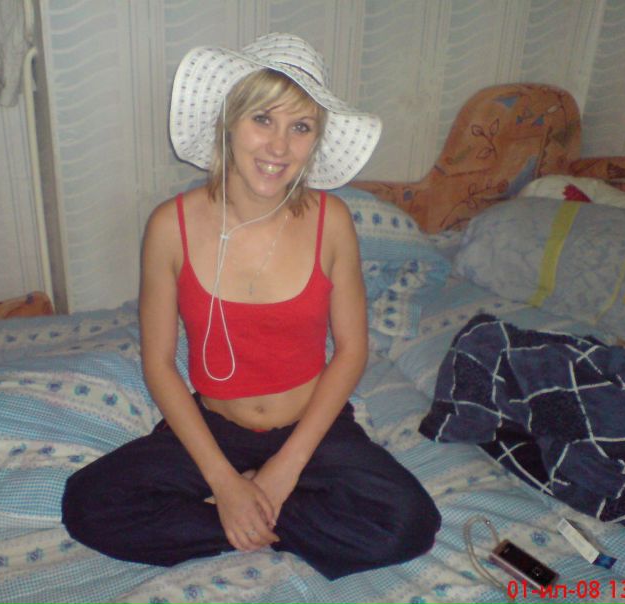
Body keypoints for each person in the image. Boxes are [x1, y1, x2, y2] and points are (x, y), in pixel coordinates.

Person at [62, 32, 440, 580]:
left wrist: (283, 472)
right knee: (87, 504)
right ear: (229, 123)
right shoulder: (170, 226)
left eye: (300, 127)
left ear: (315, 139)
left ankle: (250, 516)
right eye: (263, 119)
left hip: (310, 428)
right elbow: (159, 364)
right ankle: (250, 518)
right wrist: (224, 483)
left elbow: (352, 351)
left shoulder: (332, 221)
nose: (279, 147)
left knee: (410, 524)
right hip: (215, 427)